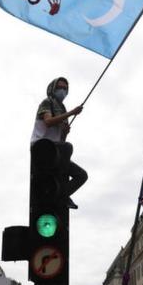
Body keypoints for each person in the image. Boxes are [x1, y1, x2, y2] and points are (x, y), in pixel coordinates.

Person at [31, 77, 87, 209]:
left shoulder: (62, 109)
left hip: (55, 151)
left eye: (65, 88)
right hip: (41, 147)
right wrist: (72, 113)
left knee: (82, 175)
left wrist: (65, 133)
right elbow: (48, 122)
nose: (62, 90)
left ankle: (60, 195)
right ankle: (62, 195)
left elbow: (61, 141)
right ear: (53, 88)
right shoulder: (47, 102)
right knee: (67, 148)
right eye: (59, 87)